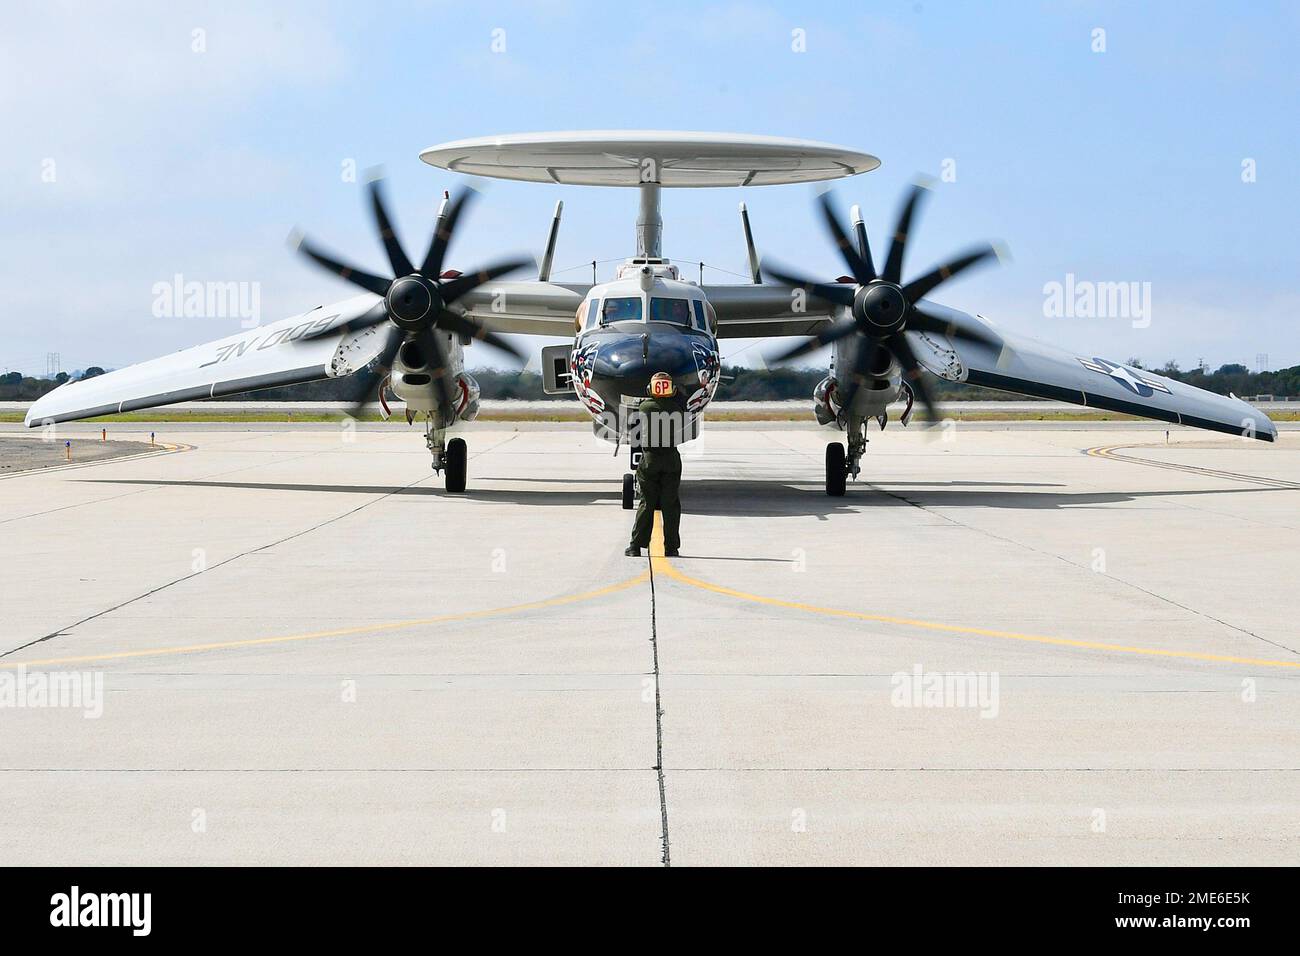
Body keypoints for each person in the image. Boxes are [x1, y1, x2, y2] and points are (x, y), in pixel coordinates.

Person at [626, 372, 685, 557]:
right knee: (671, 504)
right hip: (671, 458)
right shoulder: (676, 408)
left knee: (647, 503)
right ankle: (671, 547)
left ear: (651, 389)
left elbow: (633, 426)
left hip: (650, 458)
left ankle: (636, 546)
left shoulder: (644, 407)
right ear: (671, 389)